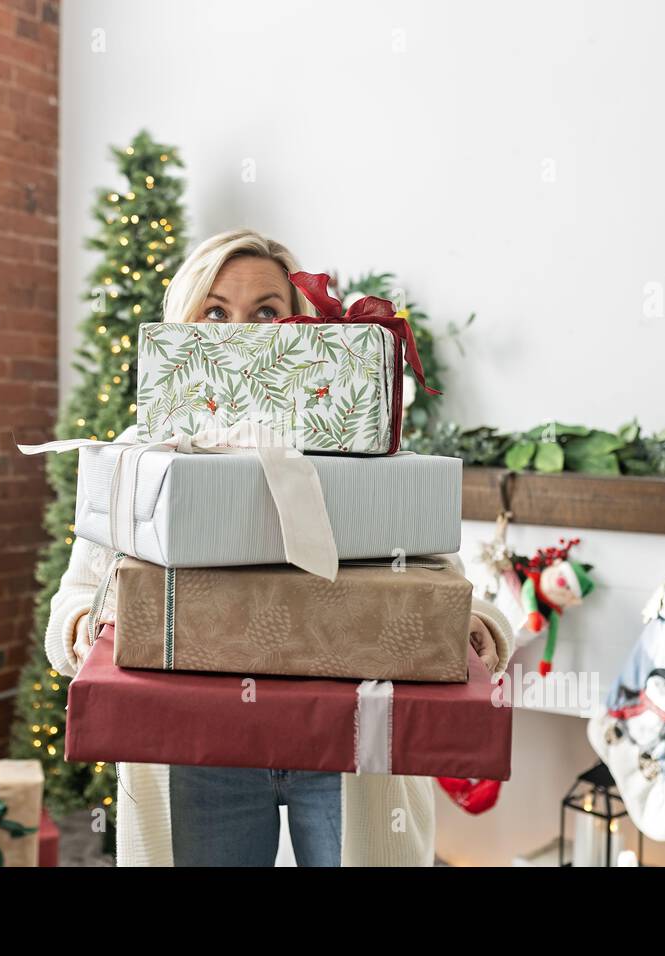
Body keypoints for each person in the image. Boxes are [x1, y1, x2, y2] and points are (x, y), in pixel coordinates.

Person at [45, 228, 515, 866]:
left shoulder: (353, 425)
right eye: (216, 311)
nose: (242, 333)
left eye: (266, 311)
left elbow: (434, 566)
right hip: (199, 750)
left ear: (300, 322)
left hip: (352, 741)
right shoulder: (140, 453)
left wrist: (476, 625)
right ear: (184, 323)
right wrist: (85, 627)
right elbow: (76, 595)